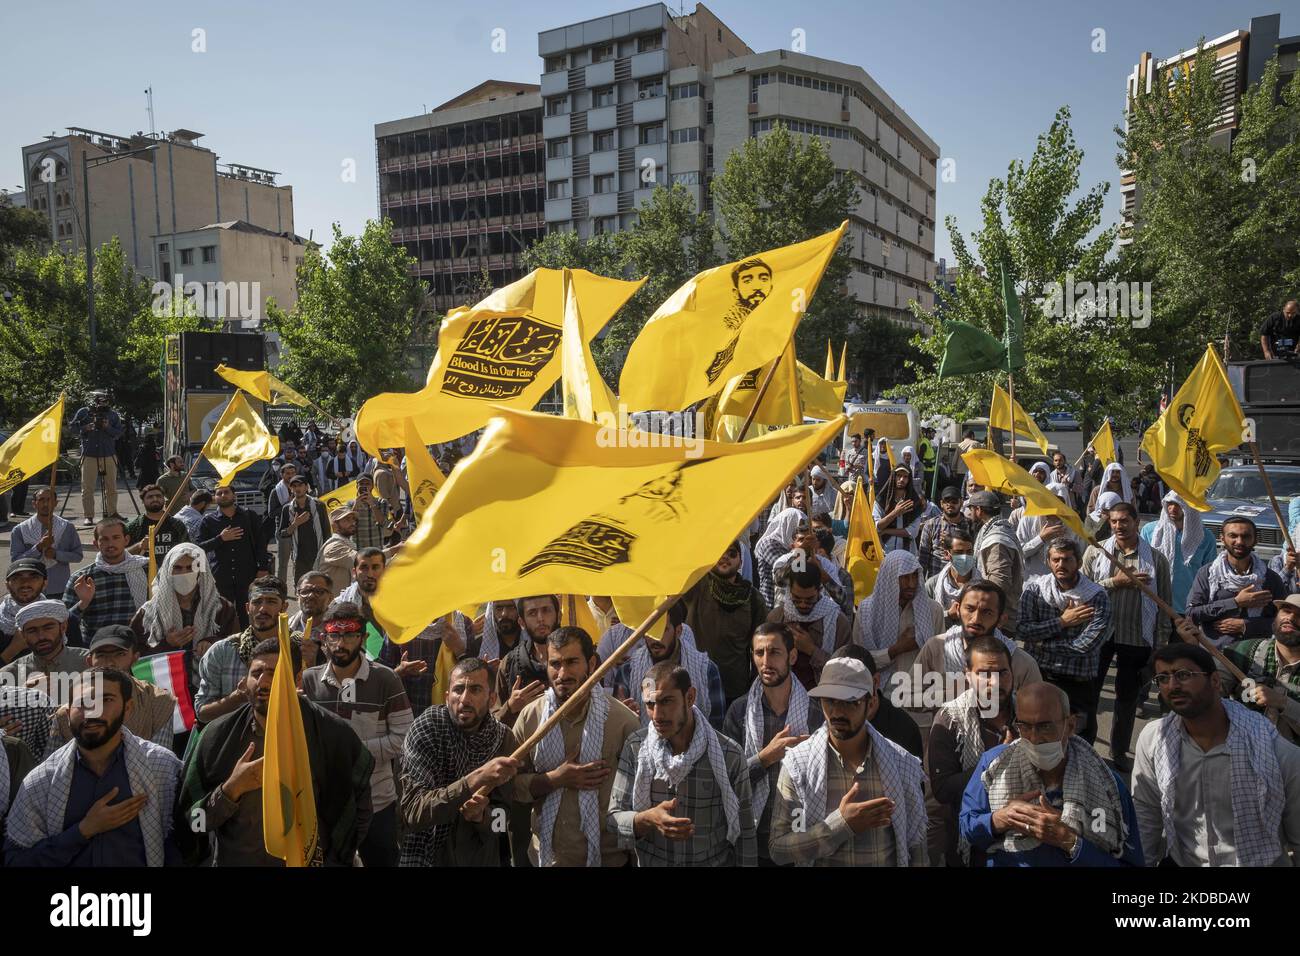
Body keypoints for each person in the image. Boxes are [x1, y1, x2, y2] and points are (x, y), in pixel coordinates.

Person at [179, 636, 374, 866]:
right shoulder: (217, 736)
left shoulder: (332, 734)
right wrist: (230, 790)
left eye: (274, 673)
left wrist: (333, 860)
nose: (263, 682)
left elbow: (358, 811)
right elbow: (193, 822)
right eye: (256, 673)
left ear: (297, 679)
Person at [1132, 642, 1300, 866]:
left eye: (1183, 675)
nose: (1172, 686)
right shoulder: (1154, 739)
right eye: (1163, 678)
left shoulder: (1275, 752)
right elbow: (1146, 812)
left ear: (1215, 681)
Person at [4, 668, 183, 866]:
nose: (92, 711)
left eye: (106, 700)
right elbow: (15, 860)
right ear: (68, 710)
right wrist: (82, 831)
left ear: (128, 709)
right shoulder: (41, 781)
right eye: (83, 703)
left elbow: (187, 847)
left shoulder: (163, 769)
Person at [959, 682, 1143, 867]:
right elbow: (968, 827)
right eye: (1025, 726)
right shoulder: (995, 766)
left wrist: (1069, 840)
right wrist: (1000, 819)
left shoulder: (1105, 785)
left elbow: (1128, 862)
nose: (1034, 738)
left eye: (1045, 727)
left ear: (1070, 725)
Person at [768, 656, 928, 866]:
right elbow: (779, 849)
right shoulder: (800, 765)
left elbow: (917, 846)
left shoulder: (901, 764)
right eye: (830, 701)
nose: (837, 712)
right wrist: (840, 825)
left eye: (849, 702)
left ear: (870, 704)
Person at [507, 626, 639, 867]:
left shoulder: (623, 722)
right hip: (546, 858)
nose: (562, 673)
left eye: (572, 662)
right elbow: (508, 784)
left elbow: (639, 798)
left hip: (608, 859)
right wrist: (554, 779)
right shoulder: (531, 718)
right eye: (555, 664)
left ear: (591, 663)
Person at [607, 661, 756, 867]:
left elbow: (745, 831)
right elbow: (614, 820)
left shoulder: (728, 755)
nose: (657, 715)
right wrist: (647, 819)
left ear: (690, 697)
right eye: (650, 704)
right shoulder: (636, 748)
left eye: (666, 701)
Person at [301, 601, 412, 867]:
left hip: (377, 801)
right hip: (323, 805)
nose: (341, 643)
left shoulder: (386, 680)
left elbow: (405, 739)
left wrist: (354, 752)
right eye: (334, 636)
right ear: (323, 639)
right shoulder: (308, 682)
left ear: (363, 638)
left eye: (350, 635)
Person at [398, 657, 518, 866]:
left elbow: (503, 819)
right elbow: (414, 811)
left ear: (492, 699)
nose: (464, 699)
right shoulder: (426, 729)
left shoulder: (504, 740)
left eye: (475, 690)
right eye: (458, 689)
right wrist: (476, 779)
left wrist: (483, 817)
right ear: (446, 697)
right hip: (427, 856)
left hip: (479, 857)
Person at [722, 623, 822, 864]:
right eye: (759, 653)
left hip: (798, 836)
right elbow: (725, 782)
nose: (766, 661)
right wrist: (765, 758)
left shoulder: (814, 714)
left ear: (793, 656)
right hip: (751, 837)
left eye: (775, 652)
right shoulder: (739, 711)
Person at [1083, 501, 1173, 768]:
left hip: (1137, 638)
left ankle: (1119, 752)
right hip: (1099, 635)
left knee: (1126, 698)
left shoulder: (1156, 559)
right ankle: (1085, 748)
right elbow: (1081, 590)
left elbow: (1164, 601)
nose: (1119, 526)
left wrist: (1161, 640)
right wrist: (1116, 582)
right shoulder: (1096, 552)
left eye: (1124, 521)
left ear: (1137, 522)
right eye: (1114, 522)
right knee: (1090, 694)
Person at [908, 581, 1041, 739]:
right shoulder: (936, 648)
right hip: (947, 742)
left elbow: (1039, 711)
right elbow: (906, 697)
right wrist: (953, 694)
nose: (976, 619)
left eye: (987, 612)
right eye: (970, 609)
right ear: (957, 609)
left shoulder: (1021, 662)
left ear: (1001, 620)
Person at [928, 635, 1018, 865]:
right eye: (985, 674)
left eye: (1002, 673)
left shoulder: (1029, 716)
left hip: (1022, 840)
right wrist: (995, 759)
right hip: (968, 845)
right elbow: (943, 789)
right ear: (968, 674)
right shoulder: (950, 720)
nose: (994, 683)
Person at [1017, 539, 1113, 744]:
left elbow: (1087, 645)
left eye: (1067, 559)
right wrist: (1061, 622)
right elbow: (1023, 631)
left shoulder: (1096, 596)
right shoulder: (1035, 591)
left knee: (1078, 740)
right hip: (1040, 676)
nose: (1061, 564)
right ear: (1048, 562)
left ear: (1078, 562)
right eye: (1056, 559)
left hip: (1077, 682)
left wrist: (1043, 644)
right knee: (1039, 738)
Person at [49, 627, 177, 750]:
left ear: (135, 658)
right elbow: (55, 765)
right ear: (89, 661)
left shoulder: (159, 702)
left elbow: (160, 762)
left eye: (120, 654)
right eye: (101, 655)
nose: (110, 663)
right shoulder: (66, 715)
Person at [193, 577, 295, 726]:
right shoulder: (223, 651)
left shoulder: (298, 649)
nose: (263, 609)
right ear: (248, 608)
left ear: (284, 607)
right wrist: (236, 698)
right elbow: (202, 713)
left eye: (271, 602)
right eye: (257, 602)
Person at [613, 601, 726, 729]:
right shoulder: (628, 671)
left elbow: (716, 727)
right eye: (650, 630)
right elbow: (618, 729)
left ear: (678, 631)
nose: (655, 638)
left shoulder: (706, 671)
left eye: (662, 630)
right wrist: (625, 716)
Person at [684, 543, 769, 706]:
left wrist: (754, 683)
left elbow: (760, 645)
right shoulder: (697, 585)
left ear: (741, 561)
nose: (725, 557)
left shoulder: (753, 598)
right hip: (696, 682)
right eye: (719, 552)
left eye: (731, 553)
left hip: (735, 688)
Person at [1186, 516, 1289, 647]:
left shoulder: (1270, 578)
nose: (1239, 541)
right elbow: (1191, 613)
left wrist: (1246, 625)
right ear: (1222, 539)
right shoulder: (1208, 573)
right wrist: (1235, 602)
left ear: (1255, 540)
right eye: (1233, 536)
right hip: (1215, 652)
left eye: (1245, 536)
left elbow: (1285, 619)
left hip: (1257, 652)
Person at [854, 550, 943, 687]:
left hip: (919, 692)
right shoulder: (867, 610)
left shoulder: (933, 610)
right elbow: (859, 661)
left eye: (914, 576)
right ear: (890, 577)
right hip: (881, 692)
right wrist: (896, 649)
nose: (912, 584)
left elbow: (940, 658)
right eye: (905, 578)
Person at [1220, 595, 1300, 745]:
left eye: (1299, 615)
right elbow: (1211, 693)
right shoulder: (1241, 652)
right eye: (1286, 611)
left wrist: (1282, 702)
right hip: (1241, 752)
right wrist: (1194, 657)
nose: (1290, 618)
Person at [766, 563, 852, 691]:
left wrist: (812, 650)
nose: (803, 604)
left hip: (822, 698)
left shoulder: (838, 621)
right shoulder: (776, 618)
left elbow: (846, 672)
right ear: (789, 591)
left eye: (809, 599)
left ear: (819, 590)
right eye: (797, 599)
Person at [196, 485, 270, 630]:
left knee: (249, 612)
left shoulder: (249, 516)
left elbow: (261, 544)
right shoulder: (208, 521)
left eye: (226, 492)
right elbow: (199, 547)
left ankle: (249, 642)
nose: (223, 495)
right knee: (223, 614)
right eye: (219, 493)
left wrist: (263, 568)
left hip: (247, 573)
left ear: (234, 495)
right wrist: (221, 538)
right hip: (221, 575)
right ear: (214, 498)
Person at [64, 518, 150, 641]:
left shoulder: (146, 570)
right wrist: (83, 603)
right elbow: (64, 622)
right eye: (104, 539)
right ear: (95, 544)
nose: (110, 544)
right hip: (97, 650)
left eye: (116, 538)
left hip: (137, 647)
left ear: (126, 540)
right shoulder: (82, 578)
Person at [1141, 490, 1217, 614]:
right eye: (1169, 503)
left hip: (1188, 607)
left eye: (1178, 504)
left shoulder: (1205, 537)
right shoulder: (1150, 531)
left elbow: (1210, 574)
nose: (1172, 508)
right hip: (1155, 604)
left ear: (1189, 507)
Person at [494, 595, 560, 729]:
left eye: (546, 610)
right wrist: (511, 707)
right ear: (522, 623)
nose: (540, 618)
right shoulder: (509, 663)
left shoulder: (578, 659)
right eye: (532, 613)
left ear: (558, 616)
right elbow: (492, 721)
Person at [967, 490, 1025, 638]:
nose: (969, 512)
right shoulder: (995, 530)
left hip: (996, 620)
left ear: (979, 510)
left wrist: (986, 612)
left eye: (971, 508)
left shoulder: (997, 539)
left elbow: (999, 581)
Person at [9, 487, 82, 598]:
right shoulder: (20, 530)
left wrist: (56, 554)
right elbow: (16, 560)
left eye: (49, 500)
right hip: (30, 590)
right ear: (34, 504)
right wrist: (37, 548)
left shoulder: (67, 527)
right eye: (41, 500)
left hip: (60, 587)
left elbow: (78, 556)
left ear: (56, 503)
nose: (46, 504)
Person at [0, 600, 90, 685]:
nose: (41, 636)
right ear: (23, 635)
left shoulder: (88, 662)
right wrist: (24, 695)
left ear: (63, 627)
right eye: (32, 631)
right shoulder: (10, 674)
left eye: (48, 628)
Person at [71, 391, 124, 525]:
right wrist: (85, 427)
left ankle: (112, 513)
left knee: (111, 486)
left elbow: (119, 433)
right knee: (87, 487)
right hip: (89, 454)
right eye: (101, 400)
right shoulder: (84, 412)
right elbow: (72, 428)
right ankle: (89, 516)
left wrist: (107, 427)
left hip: (108, 453)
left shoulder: (112, 414)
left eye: (106, 400)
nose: (104, 403)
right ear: (94, 400)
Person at [276, 474, 330, 588]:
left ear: (306, 487)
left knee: (320, 587)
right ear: (291, 489)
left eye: (300, 485)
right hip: (299, 557)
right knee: (301, 588)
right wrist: (295, 524)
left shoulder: (319, 505)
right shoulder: (287, 509)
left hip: (318, 553)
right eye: (294, 486)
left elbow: (326, 531)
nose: (297, 488)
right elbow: (282, 533)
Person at [1015, 483, 1079, 578]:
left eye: (1058, 501)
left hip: (1063, 583)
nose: (1054, 505)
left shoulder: (1073, 525)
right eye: (1050, 500)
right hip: (1034, 582)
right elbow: (1018, 553)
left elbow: (1078, 557)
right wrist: (1041, 538)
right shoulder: (1028, 519)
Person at [926, 526, 980, 626]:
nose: (965, 557)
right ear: (947, 554)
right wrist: (948, 615)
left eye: (969, 552)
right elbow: (924, 620)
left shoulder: (982, 585)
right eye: (959, 552)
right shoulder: (932, 585)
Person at [1, 559, 53, 664]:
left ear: (44, 583)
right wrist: (13, 649)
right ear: (7, 585)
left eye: (34, 577)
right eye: (16, 578)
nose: (25, 583)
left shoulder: (57, 618)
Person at [125, 484, 189, 566]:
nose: (155, 499)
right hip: (143, 575)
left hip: (171, 573)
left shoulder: (177, 525)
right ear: (143, 501)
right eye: (150, 497)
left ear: (164, 499)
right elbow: (121, 555)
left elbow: (188, 550)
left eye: (158, 496)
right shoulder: (134, 526)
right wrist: (138, 546)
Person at [754, 507, 803, 608]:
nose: (798, 530)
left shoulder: (790, 544)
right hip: (770, 601)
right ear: (788, 524)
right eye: (796, 525)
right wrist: (802, 551)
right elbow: (790, 571)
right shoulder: (768, 544)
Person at [917, 486, 971, 578]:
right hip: (936, 578)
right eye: (946, 501)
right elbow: (923, 557)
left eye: (954, 501)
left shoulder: (971, 525)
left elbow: (973, 554)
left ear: (961, 503)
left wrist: (952, 540)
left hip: (962, 579)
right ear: (941, 503)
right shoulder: (931, 524)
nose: (950, 504)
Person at [874, 466, 924, 555]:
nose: (901, 479)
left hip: (908, 552)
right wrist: (895, 513)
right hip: (884, 551)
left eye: (905, 477)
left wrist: (886, 531)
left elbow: (912, 532)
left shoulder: (915, 502)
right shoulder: (881, 500)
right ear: (893, 477)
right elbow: (878, 526)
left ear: (909, 480)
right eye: (899, 476)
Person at [316, 506, 359, 595]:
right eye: (347, 520)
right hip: (332, 606)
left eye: (353, 519)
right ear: (335, 526)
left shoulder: (346, 543)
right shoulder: (334, 547)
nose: (353, 523)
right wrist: (394, 550)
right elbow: (363, 559)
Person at [351, 473, 394, 551]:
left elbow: (383, 523)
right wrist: (355, 506)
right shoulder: (350, 504)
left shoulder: (382, 502)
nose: (364, 486)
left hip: (375, 547)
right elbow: (349, 524)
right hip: (357, 549)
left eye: (367, 484)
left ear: (372, 486)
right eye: (361, 483)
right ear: (356, 486)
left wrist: (372, 504)